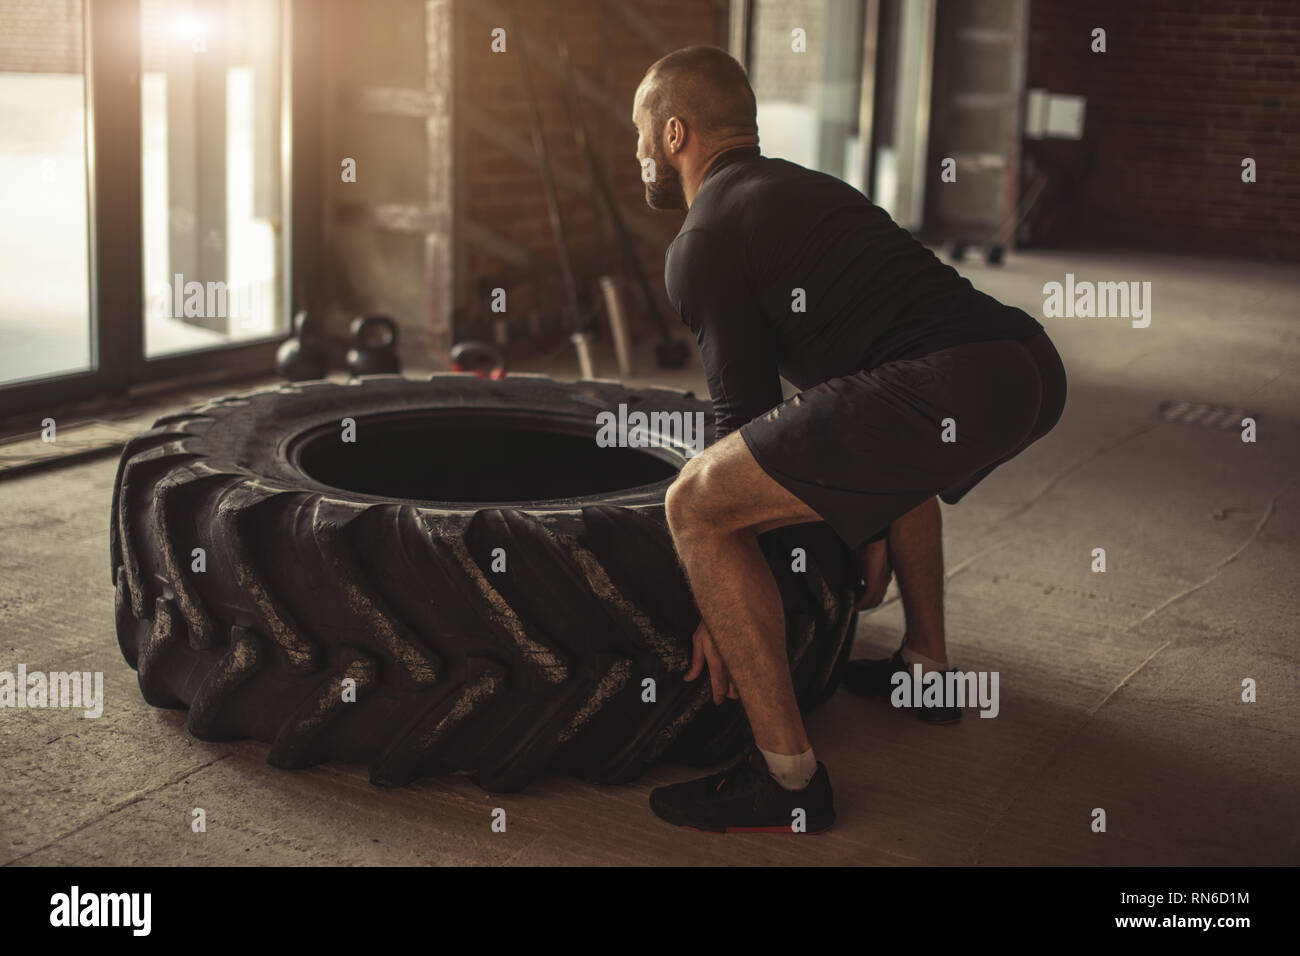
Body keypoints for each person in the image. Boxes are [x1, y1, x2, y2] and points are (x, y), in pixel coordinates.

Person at [633, 46, 1066, 833]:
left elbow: (743, 424)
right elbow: (843, 413)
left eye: (638, 135)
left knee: (697, 502)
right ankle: (926, 668)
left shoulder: (702, 239)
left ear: (673, 134)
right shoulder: (804, 188)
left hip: (951, 384)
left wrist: (718, 597)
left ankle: (787, 780)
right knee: (873, 410)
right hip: (1027, 369)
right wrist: (860, 511)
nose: (636, 155)